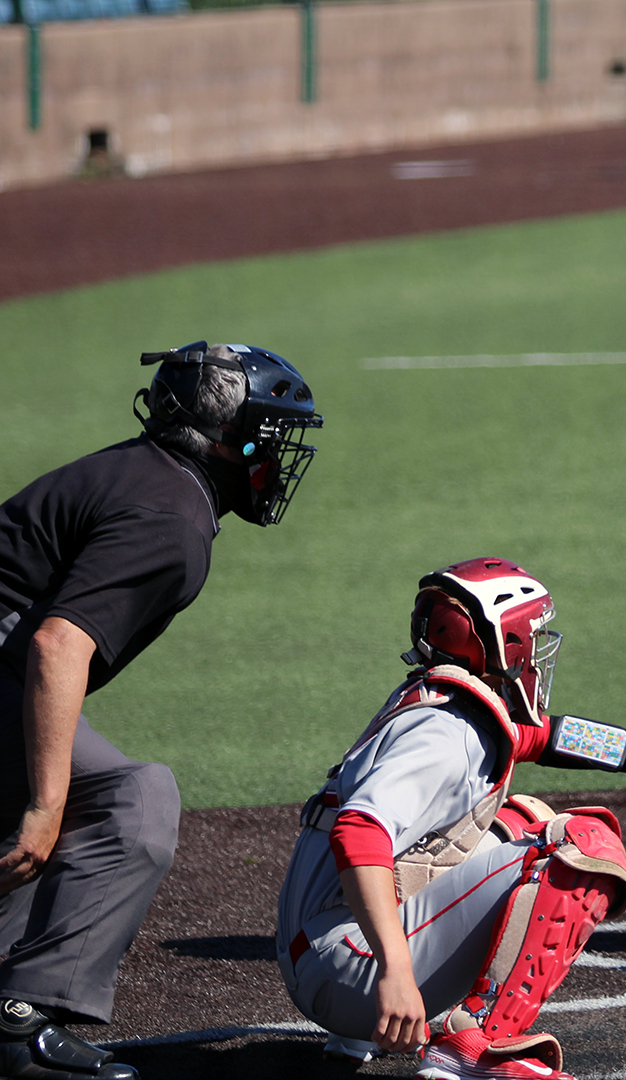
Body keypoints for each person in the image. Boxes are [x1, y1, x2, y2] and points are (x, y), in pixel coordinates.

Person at [0, 342, 323, 1080]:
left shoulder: (139, 472)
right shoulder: (171, 516)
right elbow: (56, 647)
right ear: (231, 439)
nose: (278, 456)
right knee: (127, 802)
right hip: (10, 666)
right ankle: (18, 1027)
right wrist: (48, 806)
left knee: (54, 793)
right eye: (272, 435)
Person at [276, 557, 626, 1080]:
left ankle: (358, 1031)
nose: (537, 651)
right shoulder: (447, 733)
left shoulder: (446, 702)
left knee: (523, 818)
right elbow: (358, 831)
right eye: (530, 636)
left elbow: (544, 736)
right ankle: (476, 1044)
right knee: (586, 845)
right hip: (349, 969)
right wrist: (394, 973)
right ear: (503, 643)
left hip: (324, 949)